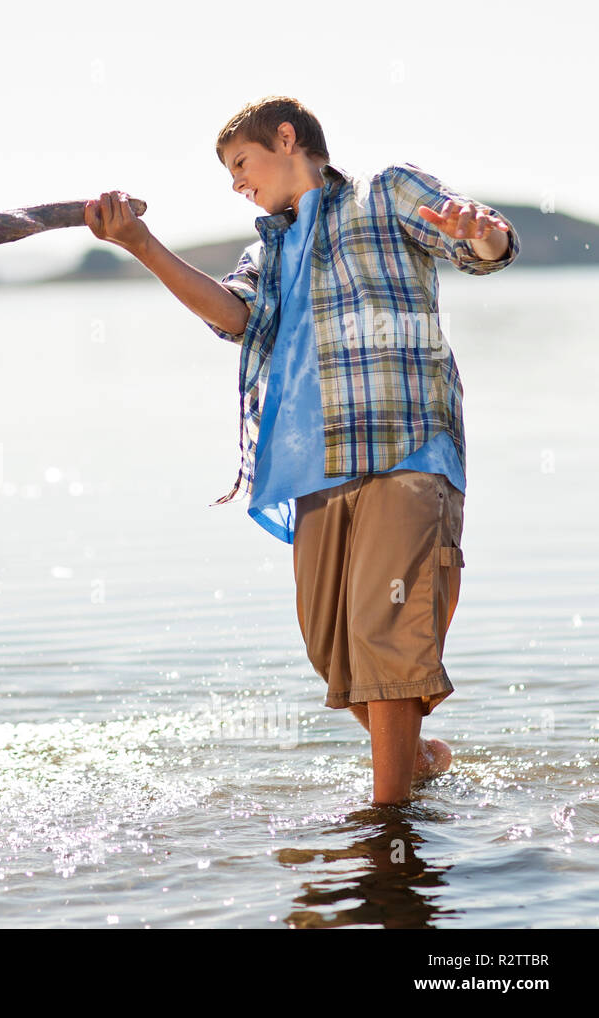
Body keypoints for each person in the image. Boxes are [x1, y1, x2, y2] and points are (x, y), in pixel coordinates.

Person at [84, 95, 518, 805]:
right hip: (312, 470)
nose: (236, 183)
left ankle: (387, 830)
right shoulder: (269, 250)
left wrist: (488, 238)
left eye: (240, 164)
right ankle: (412, 762)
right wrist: (142, 244)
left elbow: (477, 245)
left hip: (405, 452)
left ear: (287, 139)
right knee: (333, 651)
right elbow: (234, 315)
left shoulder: (386, 192)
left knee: (386, 637)